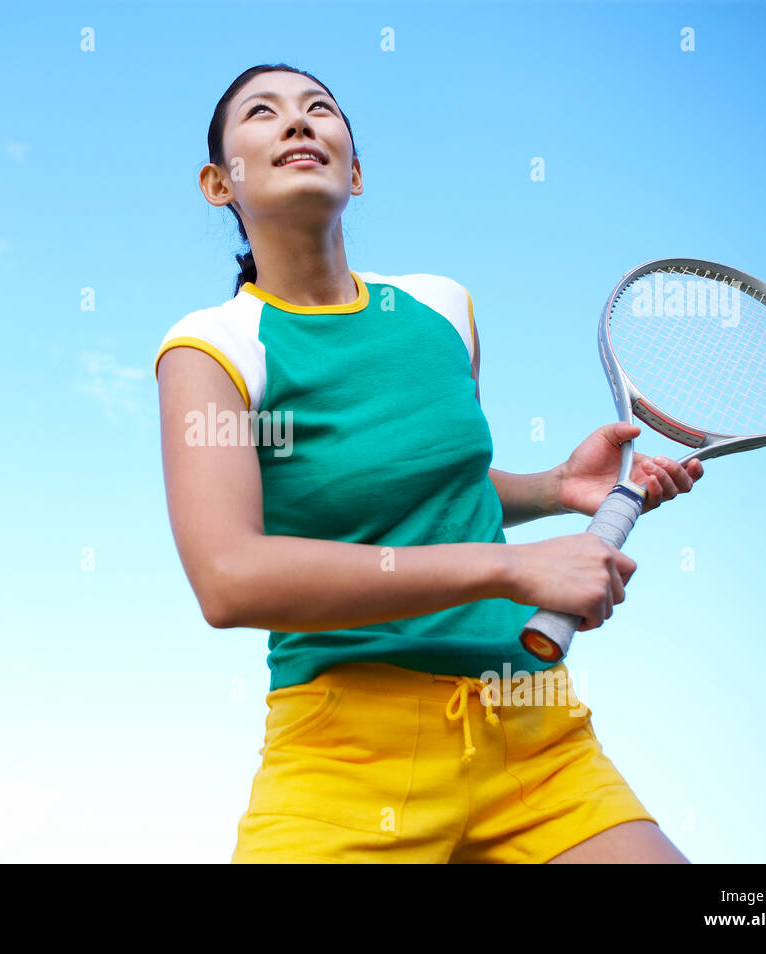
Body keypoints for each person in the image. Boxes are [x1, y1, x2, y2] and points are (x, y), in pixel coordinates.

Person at [154, 64, 704, 863]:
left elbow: (422, 494)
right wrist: (508, 572)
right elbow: (229, 578)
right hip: (344, 758)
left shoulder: (443, 309)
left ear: (357, 170)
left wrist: (553, 489)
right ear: (218, 182)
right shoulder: (212, 348)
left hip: (535, 734)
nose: (299, 124)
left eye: (320, 111)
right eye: (264, 114)